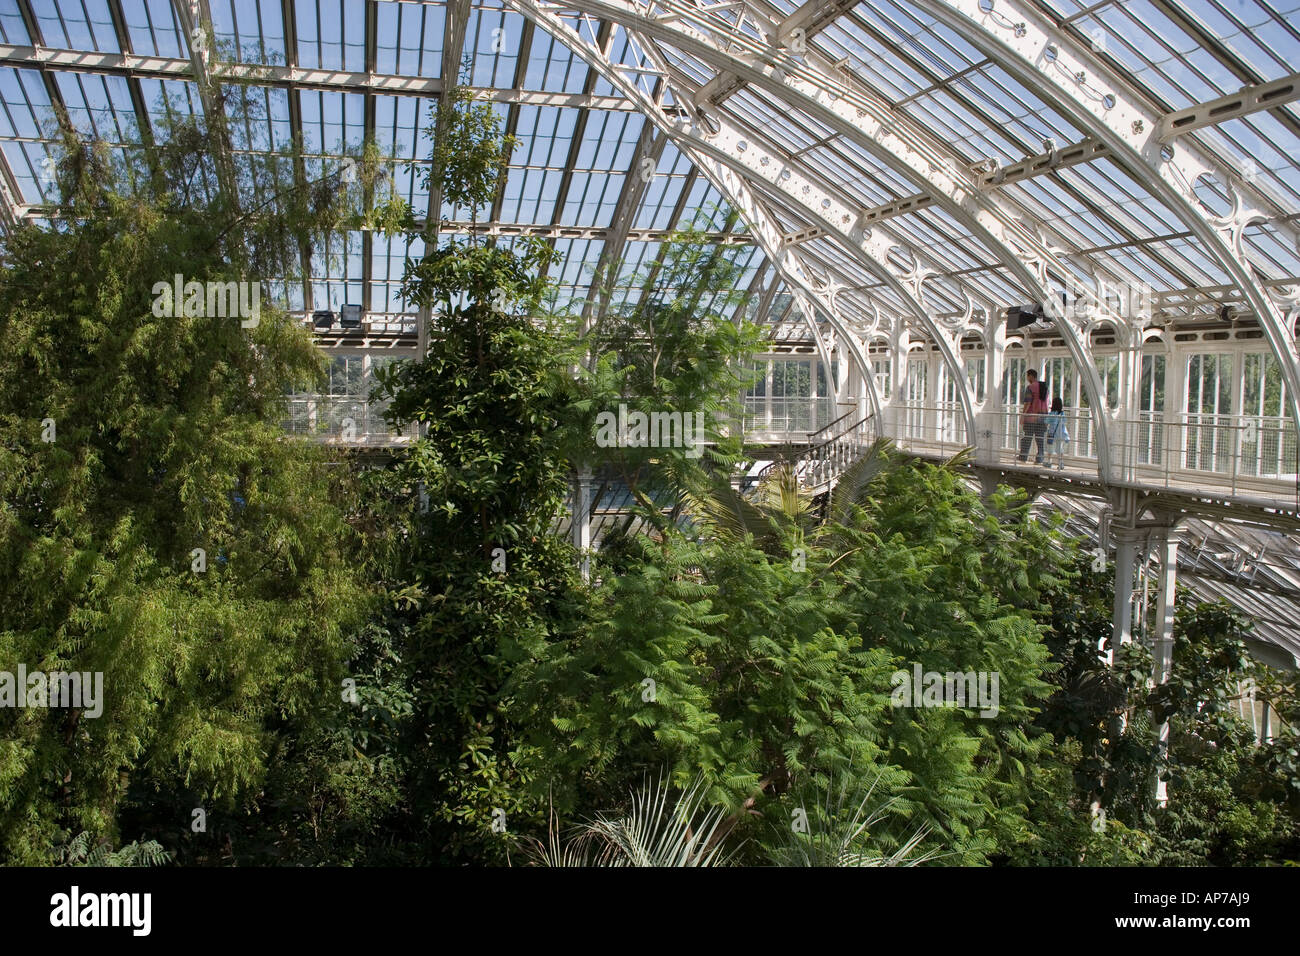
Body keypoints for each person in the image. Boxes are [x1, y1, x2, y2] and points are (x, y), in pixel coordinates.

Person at [1017, 369, 1049, 464]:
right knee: (1040, 439)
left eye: (1027, 376)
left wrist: (1023, 415)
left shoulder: (1030, 387)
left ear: (1031, 376)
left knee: (1027, 438)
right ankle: (1040, 458)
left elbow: (1028, 402)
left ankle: (1023, 457)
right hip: (1043, 417)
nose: (1027, 378)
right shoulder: (1045, 387)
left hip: (1031, 417)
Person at [1044, 396, 1070, 470]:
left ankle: (1049, 462)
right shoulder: (1062, 414)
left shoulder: (1052, 413)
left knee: (1050, 448)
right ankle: (1061, 463)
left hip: (1052, 434)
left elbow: (1046, 422)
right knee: (1059, 449)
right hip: (1061, 434)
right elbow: (1064, 422)